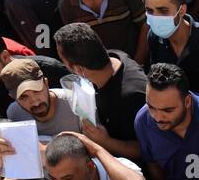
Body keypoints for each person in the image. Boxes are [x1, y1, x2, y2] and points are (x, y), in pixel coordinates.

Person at [54, 22, 149, 161]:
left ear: (79, 69)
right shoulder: (114, 56)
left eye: (64, 62)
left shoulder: (132, 97)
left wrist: (106, 142)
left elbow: (147, 149)